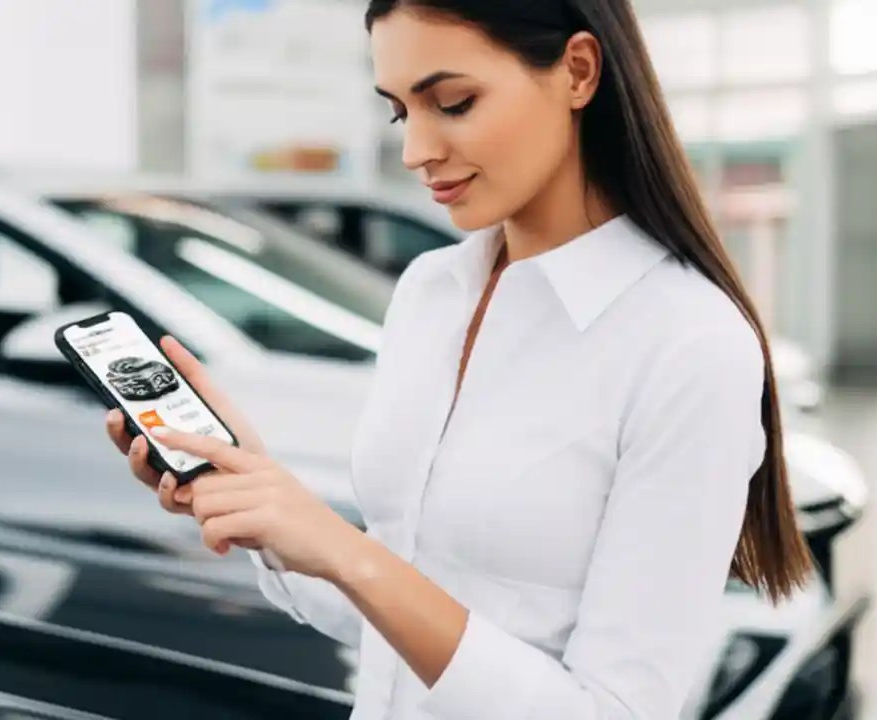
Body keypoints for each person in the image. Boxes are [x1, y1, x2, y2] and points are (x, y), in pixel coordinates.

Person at [104, 0, 813, 717]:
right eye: (399, 112)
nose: (416, 149)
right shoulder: (431, 293)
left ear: (577, 71)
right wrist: (268, 508)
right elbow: (402, 616)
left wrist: (349, 554)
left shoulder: (689, 345)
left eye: (453, 102)